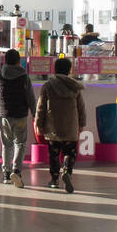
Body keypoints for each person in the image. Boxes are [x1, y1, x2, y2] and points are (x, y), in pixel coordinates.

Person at [34, 56, 86, 192]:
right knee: (70, 152)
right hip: (71, 126)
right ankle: (67, 172)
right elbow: (81, 107)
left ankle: (55, 179)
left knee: (54, 154)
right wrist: (81, 123)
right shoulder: (75, 87)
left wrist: (38, 124)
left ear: (54, 70)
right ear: (69, 70)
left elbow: (41, 107)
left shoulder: (48, 86)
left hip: (53, 127)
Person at [0, 48, 36, 188]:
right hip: (20, 115)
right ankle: (16, 170)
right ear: (18, 61)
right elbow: (31, 98)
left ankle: (6, 174)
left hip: (4, 116)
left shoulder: (0, 77)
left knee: (7, 145)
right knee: (20, 144)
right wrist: (35, 115)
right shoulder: (24, 77)